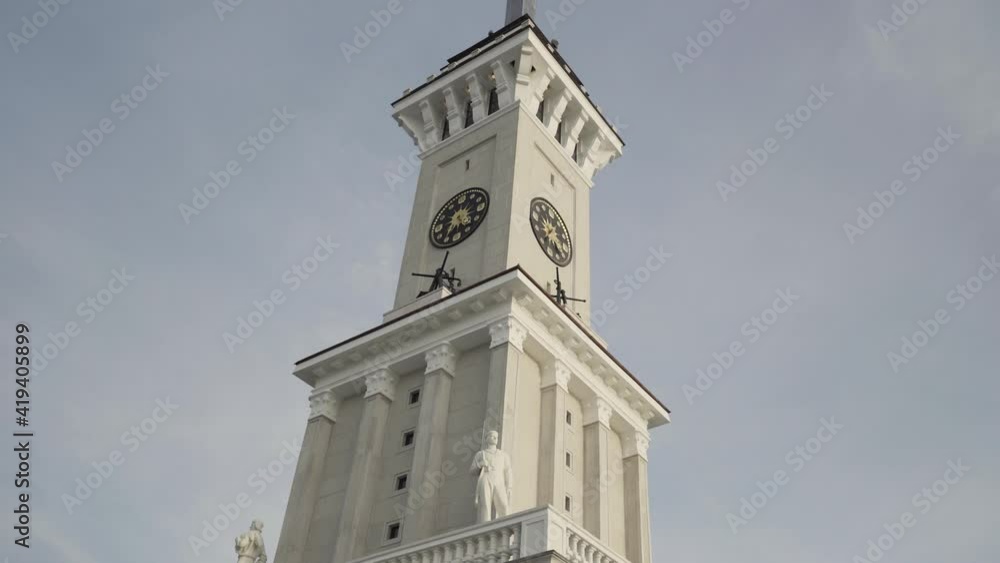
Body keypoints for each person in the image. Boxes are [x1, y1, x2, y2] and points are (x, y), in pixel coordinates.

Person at [470, 430, 513, 523]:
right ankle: (484, 525)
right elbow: (472, 470)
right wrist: (480, 464)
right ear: (486, 439)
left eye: (496, 437)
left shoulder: (503, 455)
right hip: (486, 478)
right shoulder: (481, 454)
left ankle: (505, 525)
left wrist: (509, 486)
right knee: (485, 504)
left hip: (499, 480)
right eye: (492, 436)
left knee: (503, 504)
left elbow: (507, 471)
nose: (494, 438)